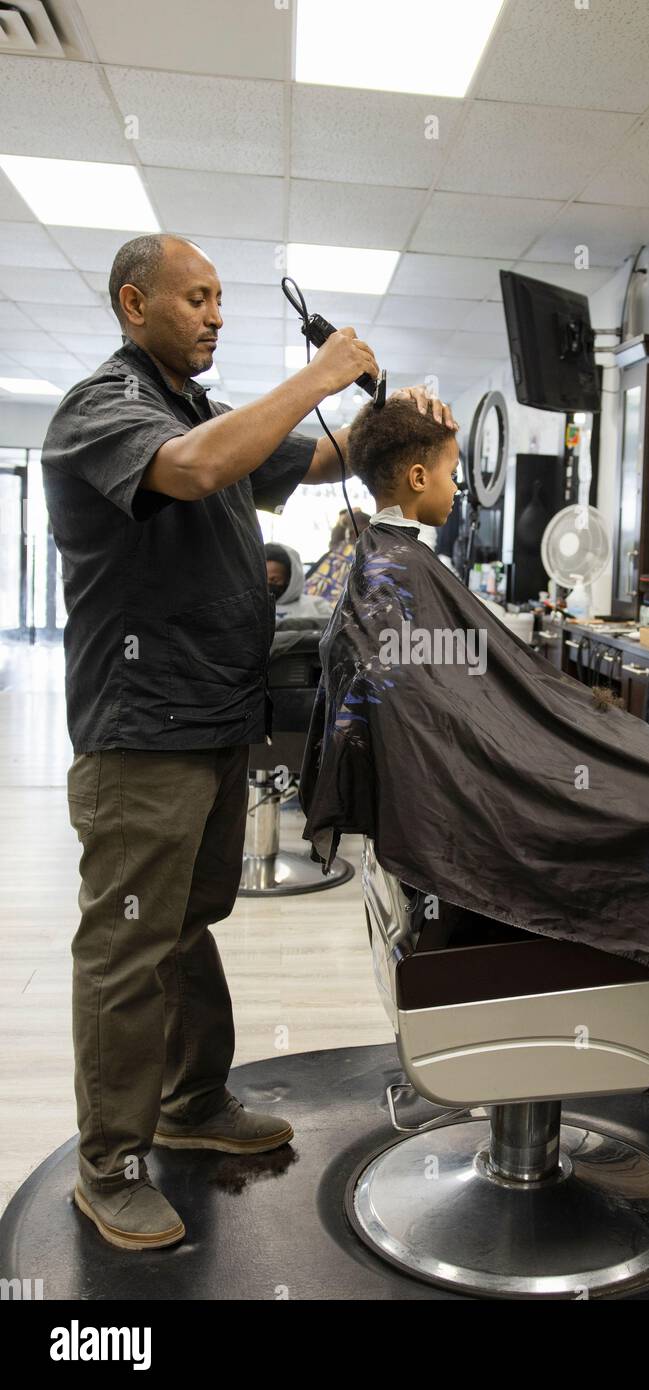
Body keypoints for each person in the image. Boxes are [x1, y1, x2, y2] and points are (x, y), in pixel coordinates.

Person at [41, 232, 457, 1252]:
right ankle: (111, 1165)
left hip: (214, 721)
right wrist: (317, 372)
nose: (217, 313)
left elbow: (319, 456)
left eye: (223, 297)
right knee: (129, 947)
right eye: (197, 298)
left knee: (189, 919)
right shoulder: (107, 411)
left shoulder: (204, 413)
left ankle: (191, 1102)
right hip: (143, 737)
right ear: (134, 306)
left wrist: (399, 421)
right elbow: (190, 471)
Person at [299, 397, 649, 1071]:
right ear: (418, 478)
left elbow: (466, 718)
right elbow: (466, 730)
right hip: (494, 845)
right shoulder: (400, 576)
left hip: (459, 841)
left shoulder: (386, 570)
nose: (458, 492)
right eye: (453, 474)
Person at [305, 509, 371, 606]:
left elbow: (334, 540)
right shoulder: (370, 553)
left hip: (316, 603)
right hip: (337, 609)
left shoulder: (340, 548)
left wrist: (344, 520)